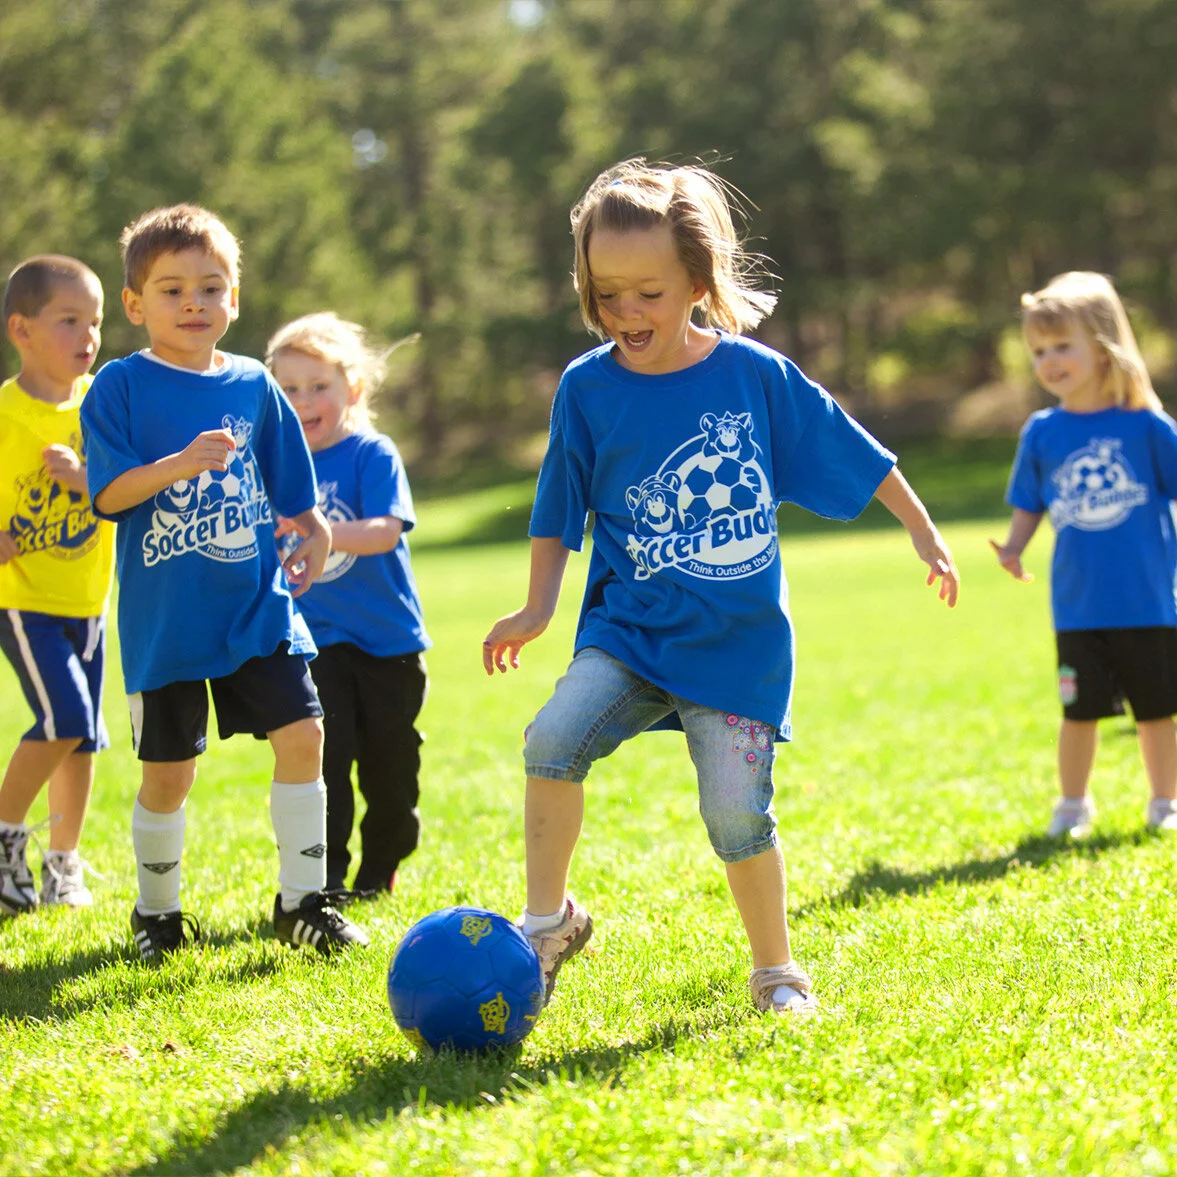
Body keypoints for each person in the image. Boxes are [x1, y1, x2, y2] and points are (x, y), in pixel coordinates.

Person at [482, 158, 960, 1015]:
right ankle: (547, 920)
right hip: (629, 631)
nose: (626, 314)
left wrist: (923, 531)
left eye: (648, 294)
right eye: (606, 295)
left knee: (736, 819)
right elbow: (558, 506)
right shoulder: (586, 388)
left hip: (736, 650)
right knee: (551, 737)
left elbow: (857, 451)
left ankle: (776, 969)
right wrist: (537, 604)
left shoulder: (752, 376)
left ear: (699, 282)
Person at [80, 204, 368, 960]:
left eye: (211, 288)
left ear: (234, 298)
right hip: (167, 620)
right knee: (170, 773)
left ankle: (303, 902)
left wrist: (315, 526)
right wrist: (177, 463)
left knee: (305, 733)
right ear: (136, 305)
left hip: (254, 607)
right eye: (172, 290)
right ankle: (156, 913)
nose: (194, 304)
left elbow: (289, 480)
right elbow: (107, 496)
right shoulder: (119, 387)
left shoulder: (252, 383)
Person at [991, 271, 1177, 838]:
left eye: (1062, 346)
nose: (1049, 361)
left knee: (1156, 714)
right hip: (1078, 606)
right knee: (1079, 713)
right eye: (1038, 351)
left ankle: (1165, 803)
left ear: (1102, 346)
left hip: (1148, 603)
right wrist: (1016, 546)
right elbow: (1030, 501)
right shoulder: (1042, 432)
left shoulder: (1145, 427)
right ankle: (1072, 805)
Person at [266, 312, 430, 898]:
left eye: (319, 387)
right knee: (324, 765)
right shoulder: (276, 467)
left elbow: (387, 530)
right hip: (314, 644)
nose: (303, 400)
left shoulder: (371, 453)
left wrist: (323, 533)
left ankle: (379, 866)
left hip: (387, 643)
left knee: (390, 770)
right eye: (288, 389)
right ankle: (325, 877)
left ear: (352, 389)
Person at [0, 255, 113, 913]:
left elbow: (126, 477)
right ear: (22, 329)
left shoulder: (100, 401)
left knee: (84, 735)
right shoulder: (6, 413)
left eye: (93, 321)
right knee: (63, 717)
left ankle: (62, 865)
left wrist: (85, 475)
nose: (88, 335)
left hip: (89, 597)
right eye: (69, 320)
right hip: (23, 599)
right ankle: (6, 839)